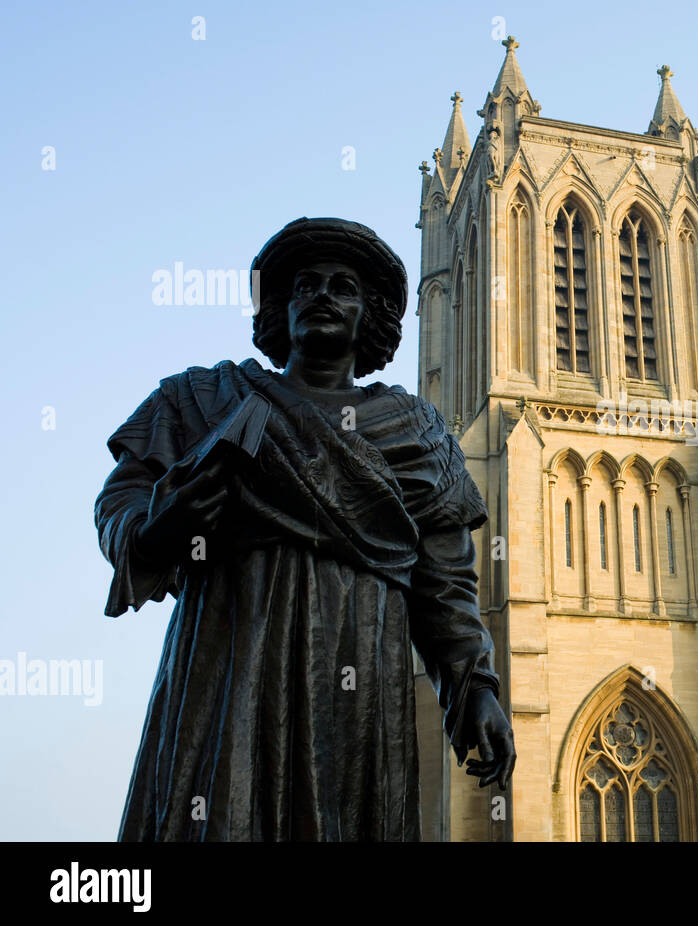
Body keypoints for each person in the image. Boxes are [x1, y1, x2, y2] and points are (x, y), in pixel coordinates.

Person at [94, 217, 514, 840]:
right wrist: (159, 525)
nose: (320, 295)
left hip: (360, 670)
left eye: (343, 287)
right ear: (279, 312)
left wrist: (474, 685)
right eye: (303, 286)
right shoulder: (209, 398)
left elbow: (446, 581)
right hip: (230, 659)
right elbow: (120, 499)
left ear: (368, 316)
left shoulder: (416, 431)